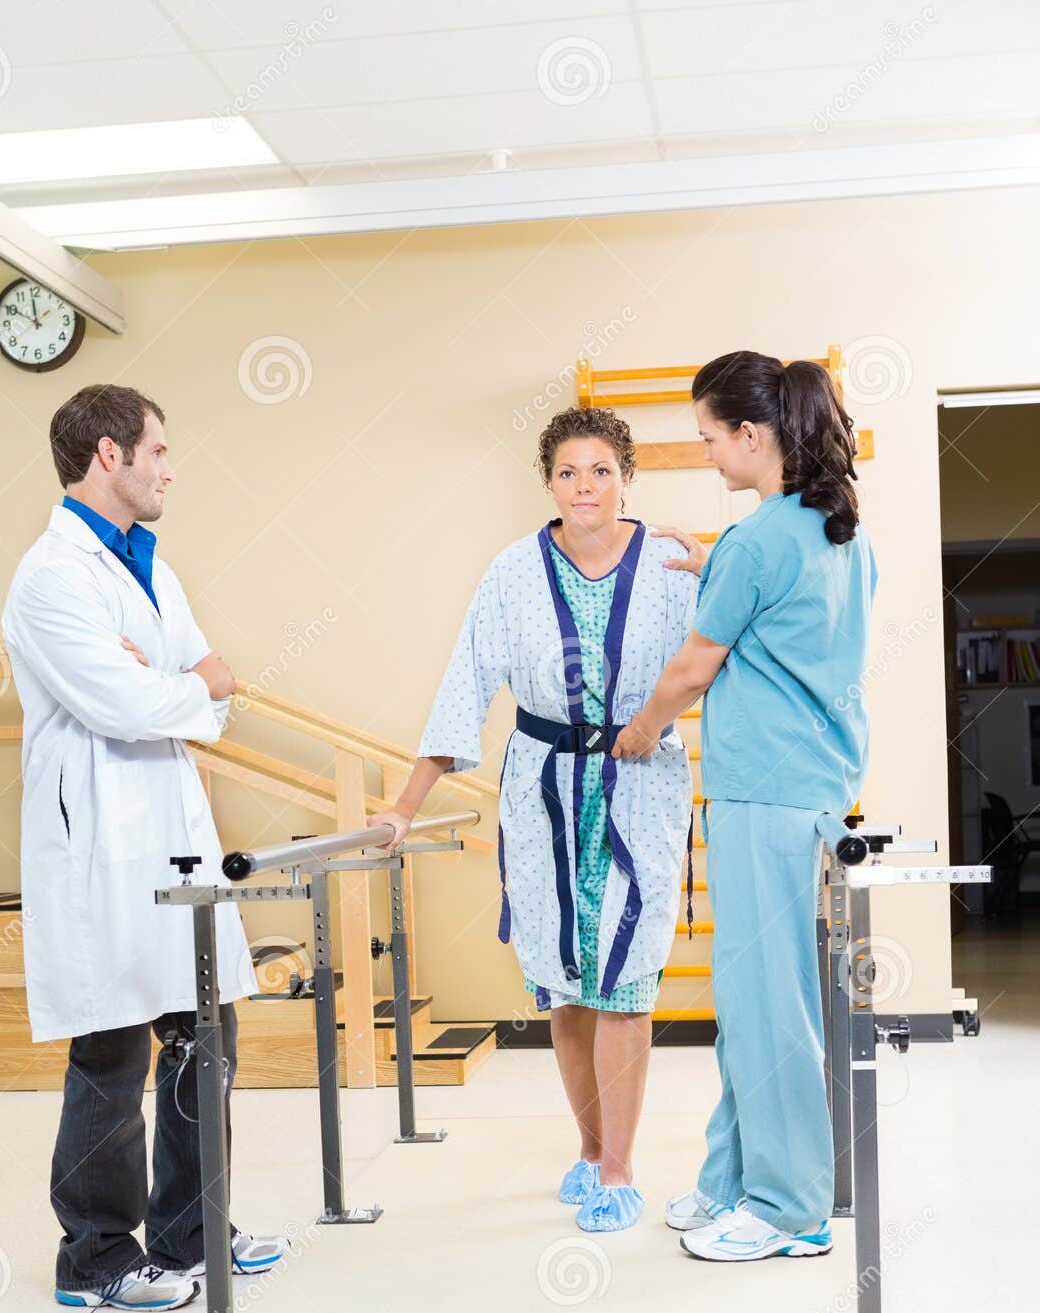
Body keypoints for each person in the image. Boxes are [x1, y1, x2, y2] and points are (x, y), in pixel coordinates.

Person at [373, 408, 699, 1232]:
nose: (584, 487)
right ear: (546, 481)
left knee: (625, 981)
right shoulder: (512, 571)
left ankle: (623, 1168)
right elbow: (463, 688)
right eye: (566, 472)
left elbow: (718, 655)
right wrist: (404, 806)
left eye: (599, 470)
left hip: (639, 780)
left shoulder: (672, 560)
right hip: (541, 791)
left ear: (626, 475)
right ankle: (590, 1150)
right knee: (563, 989)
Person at [2, 384, 286, 1309]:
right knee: (113, 1046)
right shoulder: (50, 577)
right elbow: (124, 704)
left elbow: (218, 693)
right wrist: (178, 684)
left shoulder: (151, 572)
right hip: (99, 843)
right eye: (157, 450)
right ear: (107, 457)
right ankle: (93, 1258)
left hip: (168, 826)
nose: (169, 468)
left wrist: (173, 682)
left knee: (207, 1029)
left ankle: (189, 1229)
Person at [617, 351, 877, 1263]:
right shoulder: (831, 527)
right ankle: (733, 1178)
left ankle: (788, 1208)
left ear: (751, 434)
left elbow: (693, 666)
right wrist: (713, 554)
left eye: (708, 439)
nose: (705, 456)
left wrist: (642, 728)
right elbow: (782, 603)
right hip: (806, 782)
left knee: (768, 1006)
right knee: (751, 994)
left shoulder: (761, 540)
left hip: (763, 788)